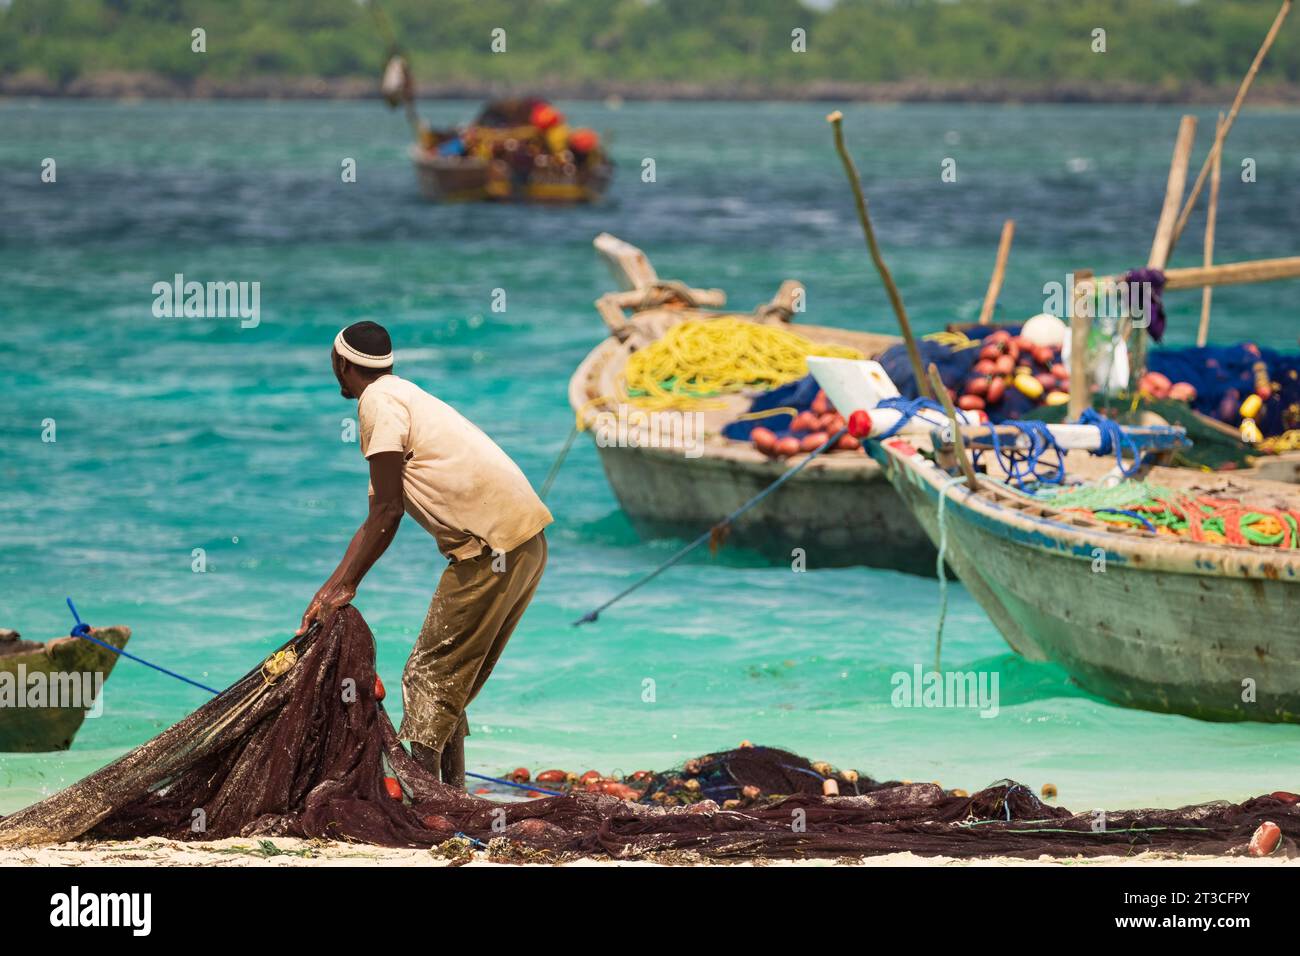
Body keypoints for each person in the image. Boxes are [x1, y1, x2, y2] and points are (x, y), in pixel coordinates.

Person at [298, 321, 551, 788]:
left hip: (488, 551)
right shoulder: (405, 394)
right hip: (526, 545)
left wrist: (346, 586)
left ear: (340, 363)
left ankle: (427, 800)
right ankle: (452, 793)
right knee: (450, 683)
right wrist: (332, 587)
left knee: (426, 676)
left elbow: (389, 512)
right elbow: (378, 513)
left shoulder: (377, 402)